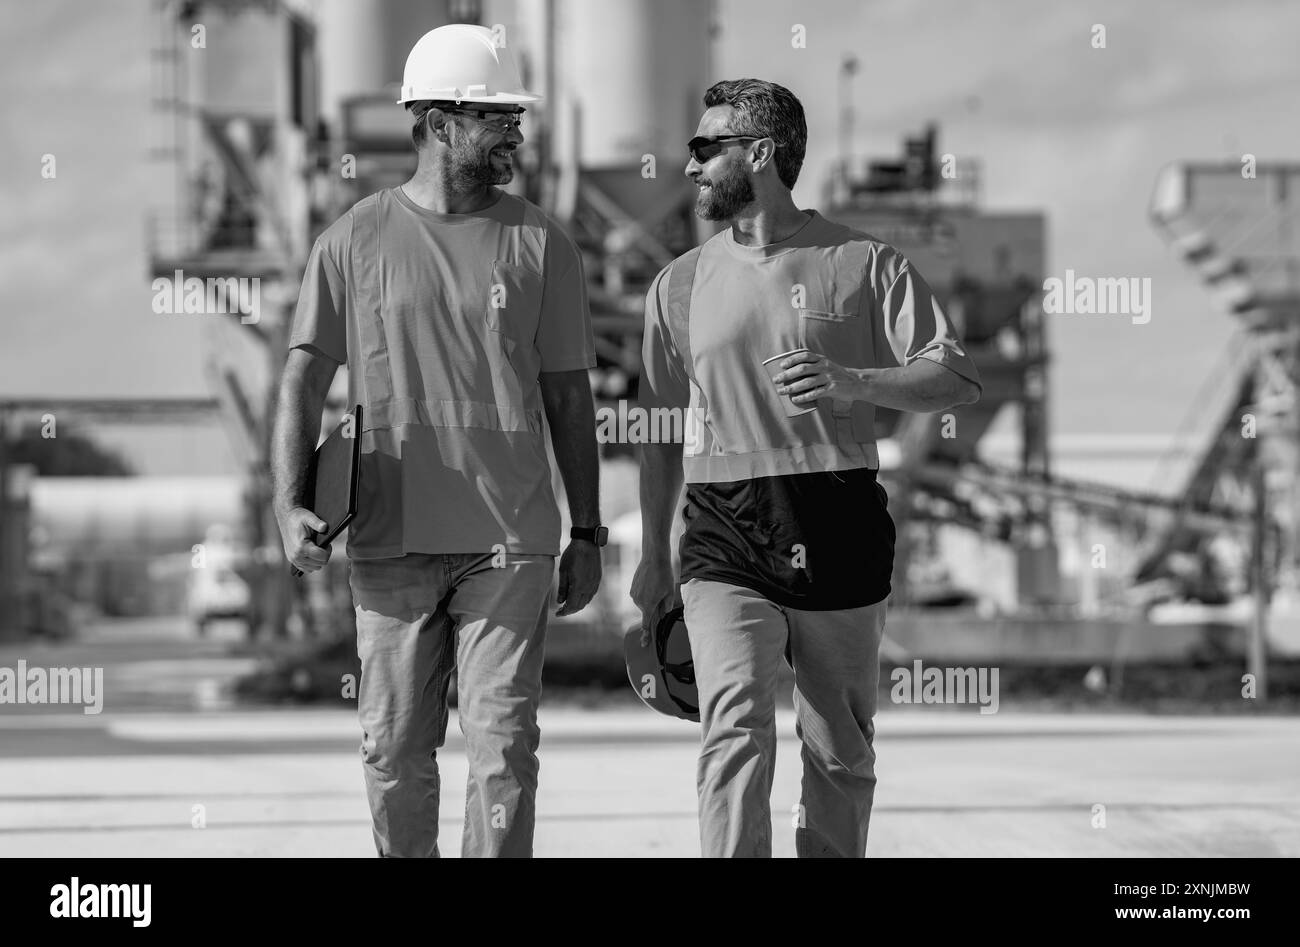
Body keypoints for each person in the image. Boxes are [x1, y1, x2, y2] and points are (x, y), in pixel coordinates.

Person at [271, 24, 604, 858]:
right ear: (439, 122)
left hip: (510, 540)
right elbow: (302, 379)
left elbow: (570, 397)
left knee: (503, 754)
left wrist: (588, 531)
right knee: (392, 751)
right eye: (497, 117)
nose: (515, 136)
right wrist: (288, 507)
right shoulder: (354, 239)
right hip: (390, 541)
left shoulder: (543, 245)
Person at [633, 78, 982, 858]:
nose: (688, 167)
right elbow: (655, 430)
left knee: (839, 749)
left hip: (838, 524)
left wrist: (856, 381)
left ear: (759, 154)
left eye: (704, 147)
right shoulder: (677, 285)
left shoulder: (864, 264)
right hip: (723, 532)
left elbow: (954, 376)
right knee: (734, 726)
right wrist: (653, 556)